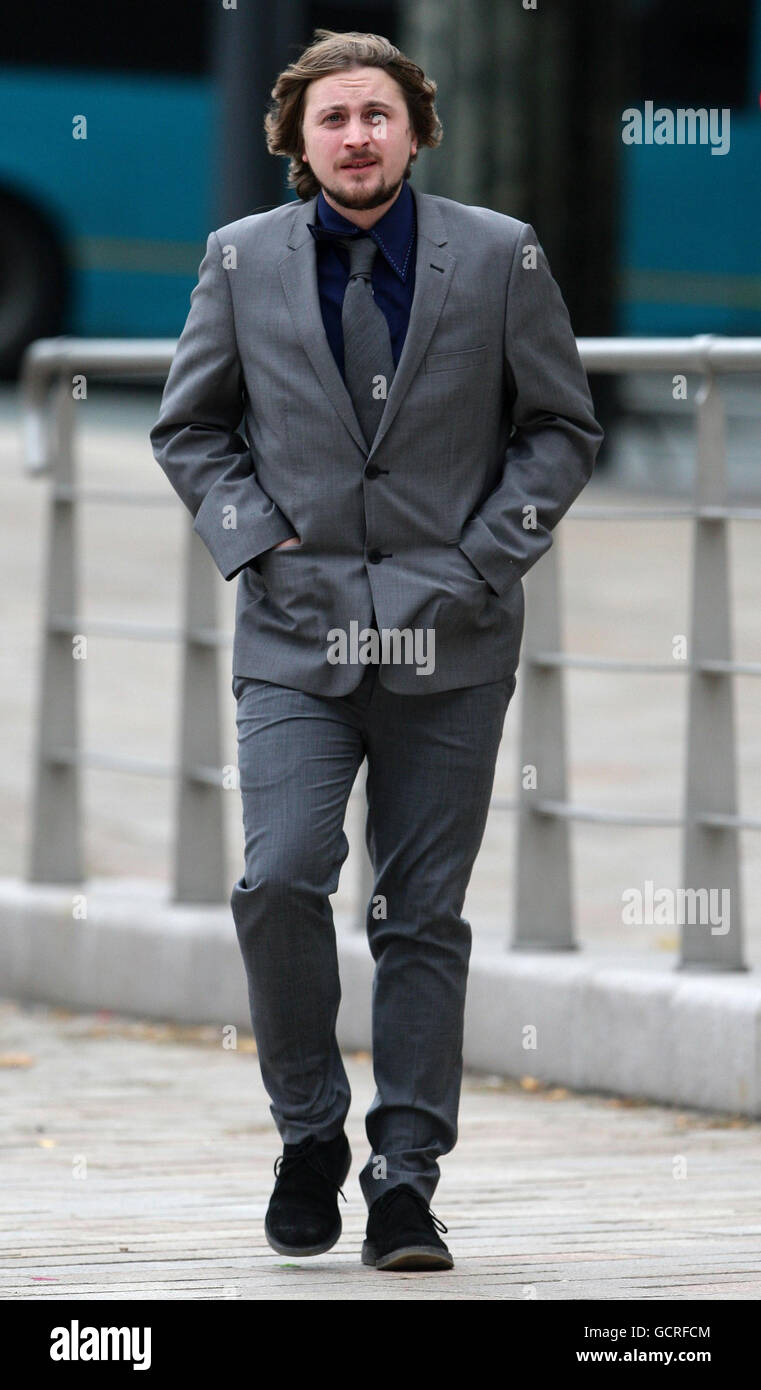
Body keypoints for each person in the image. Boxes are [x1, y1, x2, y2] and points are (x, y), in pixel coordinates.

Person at [150, 28, 603, 1273]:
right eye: (334, 117)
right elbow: (190, 430)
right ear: (296, 139)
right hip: (293, 636)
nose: (357, 135)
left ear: (414, 130)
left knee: (418, 916)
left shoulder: (499, 256)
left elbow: (560, 430)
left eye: (379, 115)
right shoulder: (238, 261)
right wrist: (258, 545)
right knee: (280, 878)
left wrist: (473, 565)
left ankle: (406, 1177)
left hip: (449, 641)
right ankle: (309, 1131)